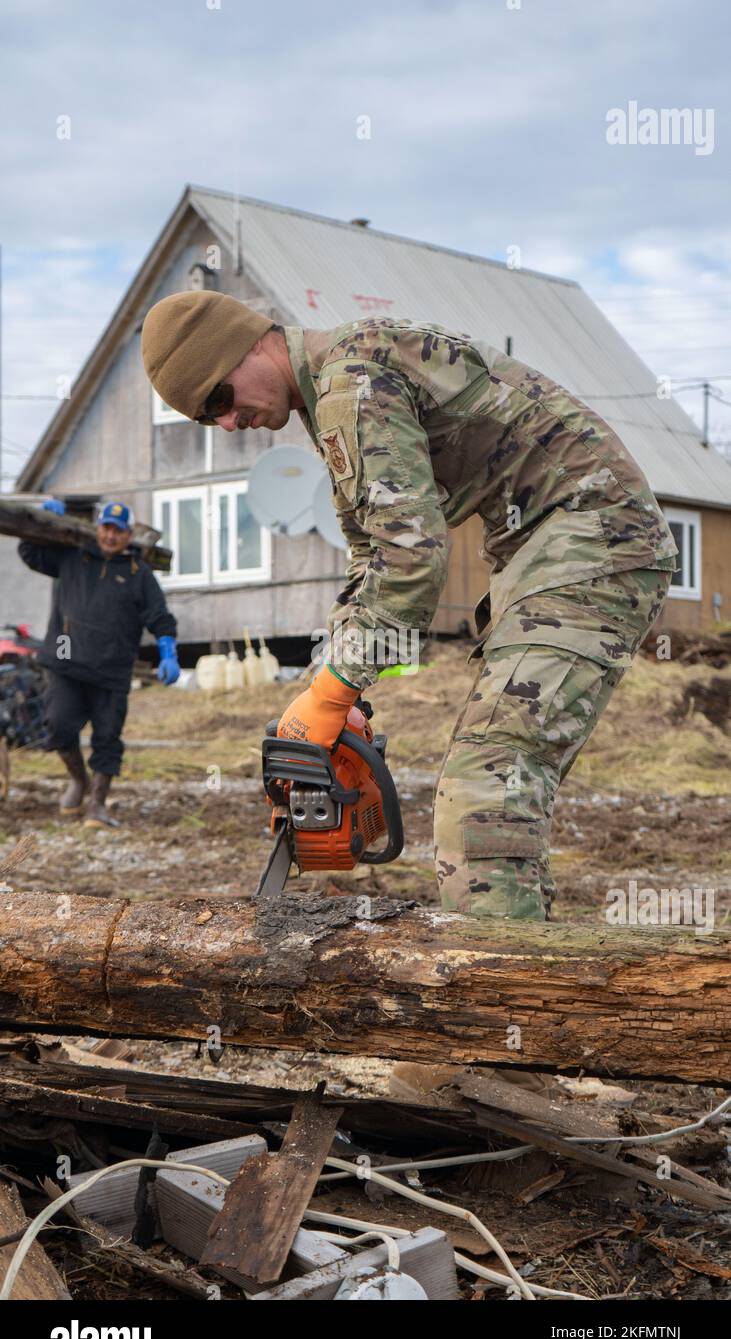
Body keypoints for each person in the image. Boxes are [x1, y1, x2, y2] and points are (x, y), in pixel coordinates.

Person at [142, 291, 677, 919]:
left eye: (219, 399)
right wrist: (335, 690)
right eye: (210, 421)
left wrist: (333, 693)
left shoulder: (350, 381)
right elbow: (371, 552)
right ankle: (519, 954)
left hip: (594, 542)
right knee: (493, 775)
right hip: (553, 549)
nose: (229, 425)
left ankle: (507, 988)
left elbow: (413, 557)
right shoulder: (330, 394)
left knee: (488, 783)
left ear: (246, 344)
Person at [19, 500, 180, 826]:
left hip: (111, 669)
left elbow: (160, 618)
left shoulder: (139, 574)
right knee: (58, 725)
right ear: (98, 528)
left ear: (128, 534)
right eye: (106, 527)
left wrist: (169, 652)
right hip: (65, 658)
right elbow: (30, 554)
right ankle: (79, 780)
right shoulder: (72, 555)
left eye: (118, 531)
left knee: (107, 738)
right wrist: (45, 523)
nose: (110, 535)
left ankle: (97, 805)